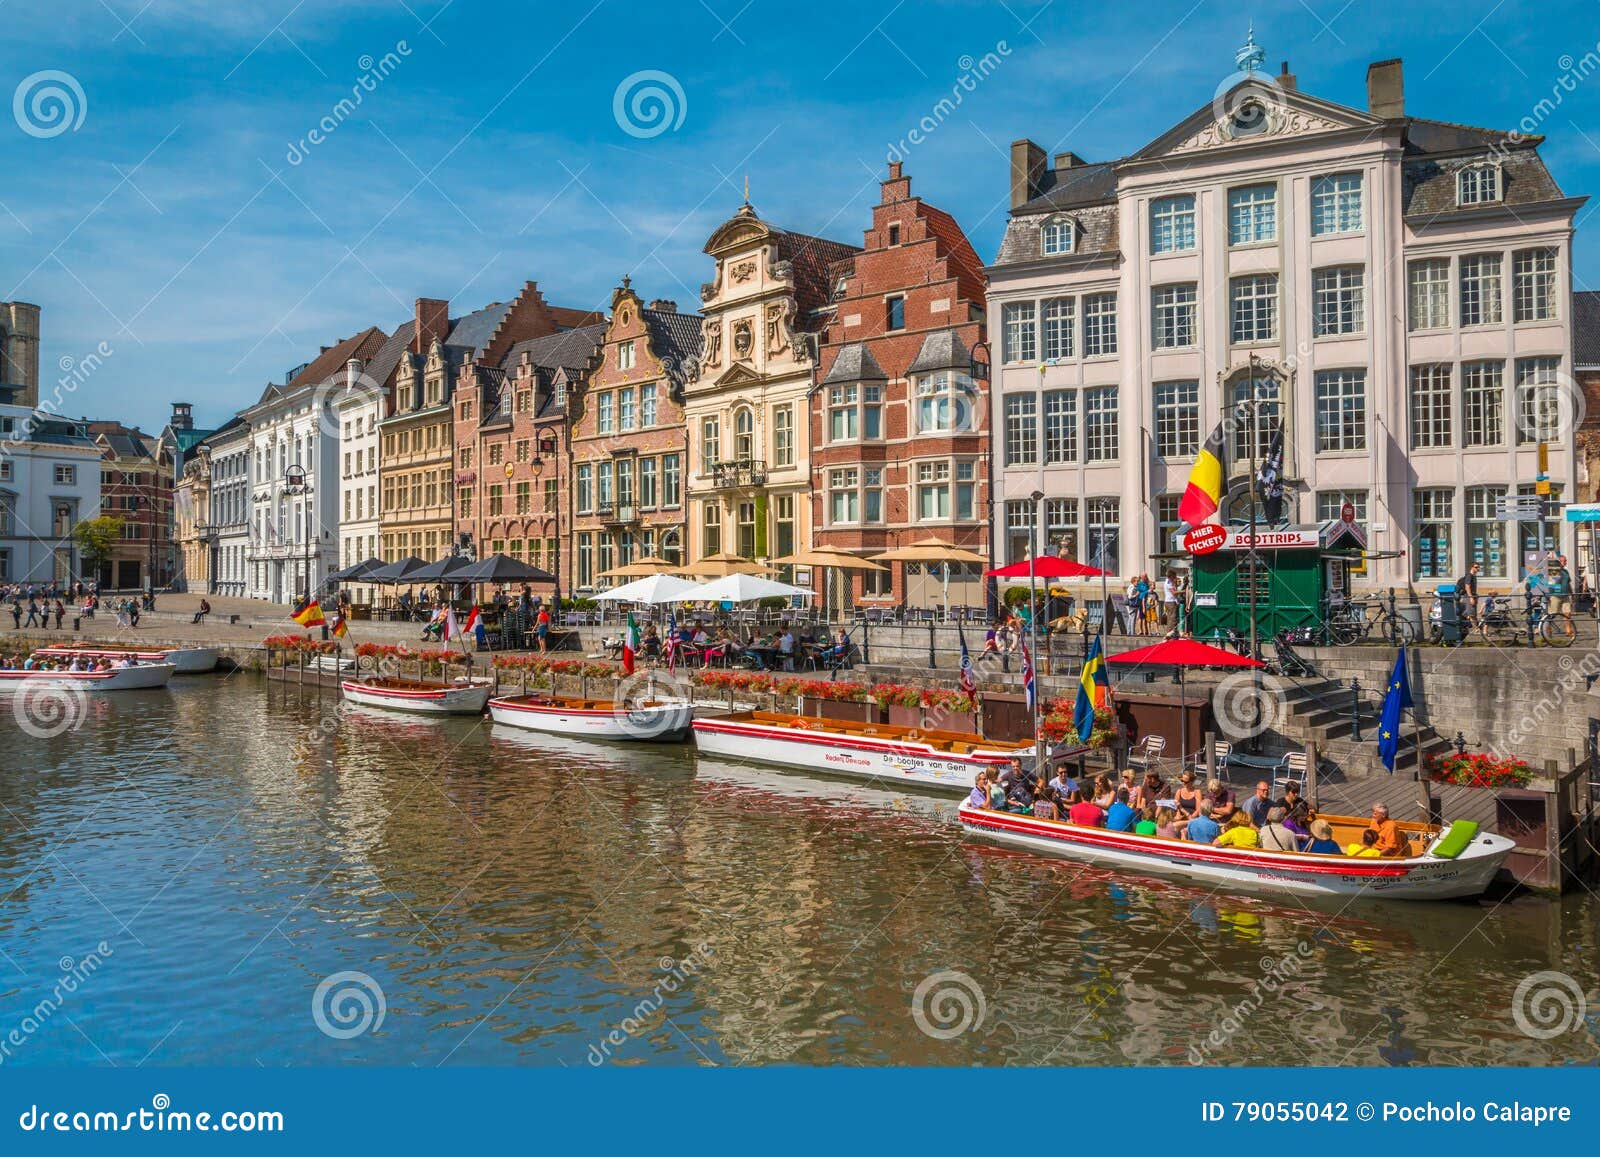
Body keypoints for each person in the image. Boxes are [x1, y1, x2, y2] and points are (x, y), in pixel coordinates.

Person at [1546, 555, 1574, 627]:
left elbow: (1568, 583)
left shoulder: (1566, 571)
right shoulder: (1554, 571)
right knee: (1552, 615)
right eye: (1564, 561)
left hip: (1565, 596)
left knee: (1567, 613)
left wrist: (1572, 593)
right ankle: (1547, 630)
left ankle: (1569, 630)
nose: (1565, 562)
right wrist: (1553, 594)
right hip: (1555, 596)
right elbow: (1551, 584)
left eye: (1566, 561)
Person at [1457, 562, 1482, 634]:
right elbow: (1467, 587)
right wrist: (1471, 597)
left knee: (1470, 613)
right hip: (1468, 597)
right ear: (1472, 567)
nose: (1478, 569)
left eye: (1478, 567)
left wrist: (1475, 596)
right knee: (1471, 614)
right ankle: (1476, 629)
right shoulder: (1469, 576)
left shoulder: (1474, 576)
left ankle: (1464, 625)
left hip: (1472, 596)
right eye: (1476, 567)